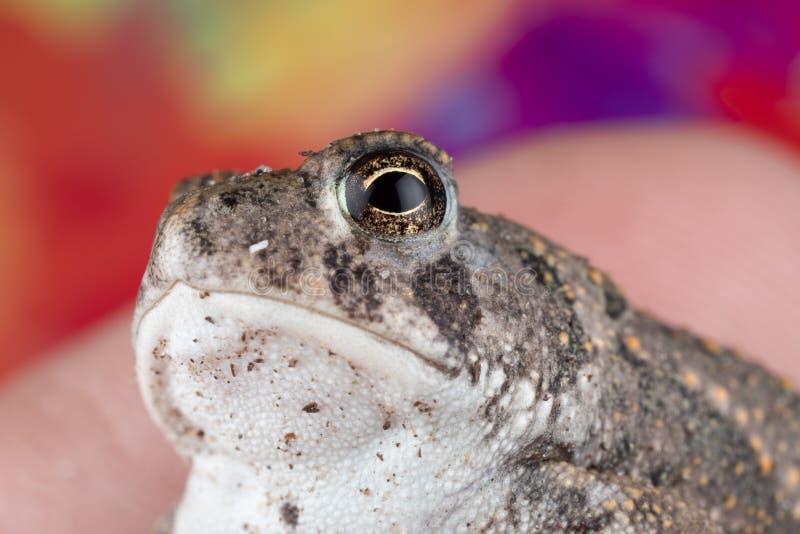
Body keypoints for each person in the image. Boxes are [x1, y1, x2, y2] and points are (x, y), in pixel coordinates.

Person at [2, 124, 799, 533]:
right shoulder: (211, 504)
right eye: (177, 226)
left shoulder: (558, 493)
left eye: (390, 201)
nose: (194, 238)